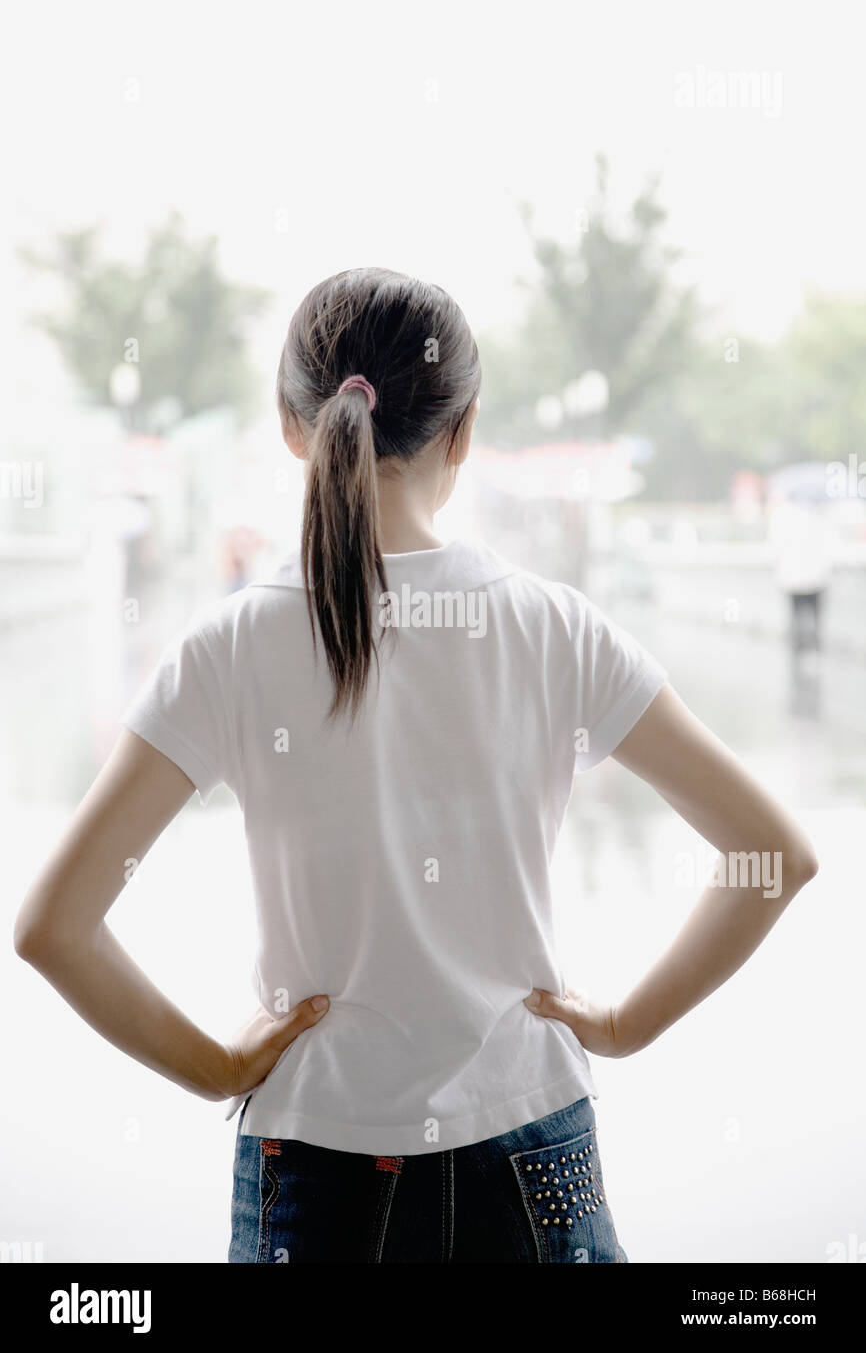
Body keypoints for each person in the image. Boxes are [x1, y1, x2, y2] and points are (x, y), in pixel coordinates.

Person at [13, 268, 819, 1264]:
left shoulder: (229, 645)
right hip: (534, 1145)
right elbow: (771, 855)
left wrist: (217, 1064)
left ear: (288, 422)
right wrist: (621, 1025)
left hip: (316, 1152)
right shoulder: (552, 627)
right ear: (463, 431)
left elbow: (53, 926)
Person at [767, 497, 833, 652]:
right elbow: (828, 546)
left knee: (797, 616)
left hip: (794, 578)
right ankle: (815, 647)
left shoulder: (781, 517)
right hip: (816, 578)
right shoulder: (817, 515)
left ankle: (799, 649)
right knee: (816, 619)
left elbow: (775, 549)